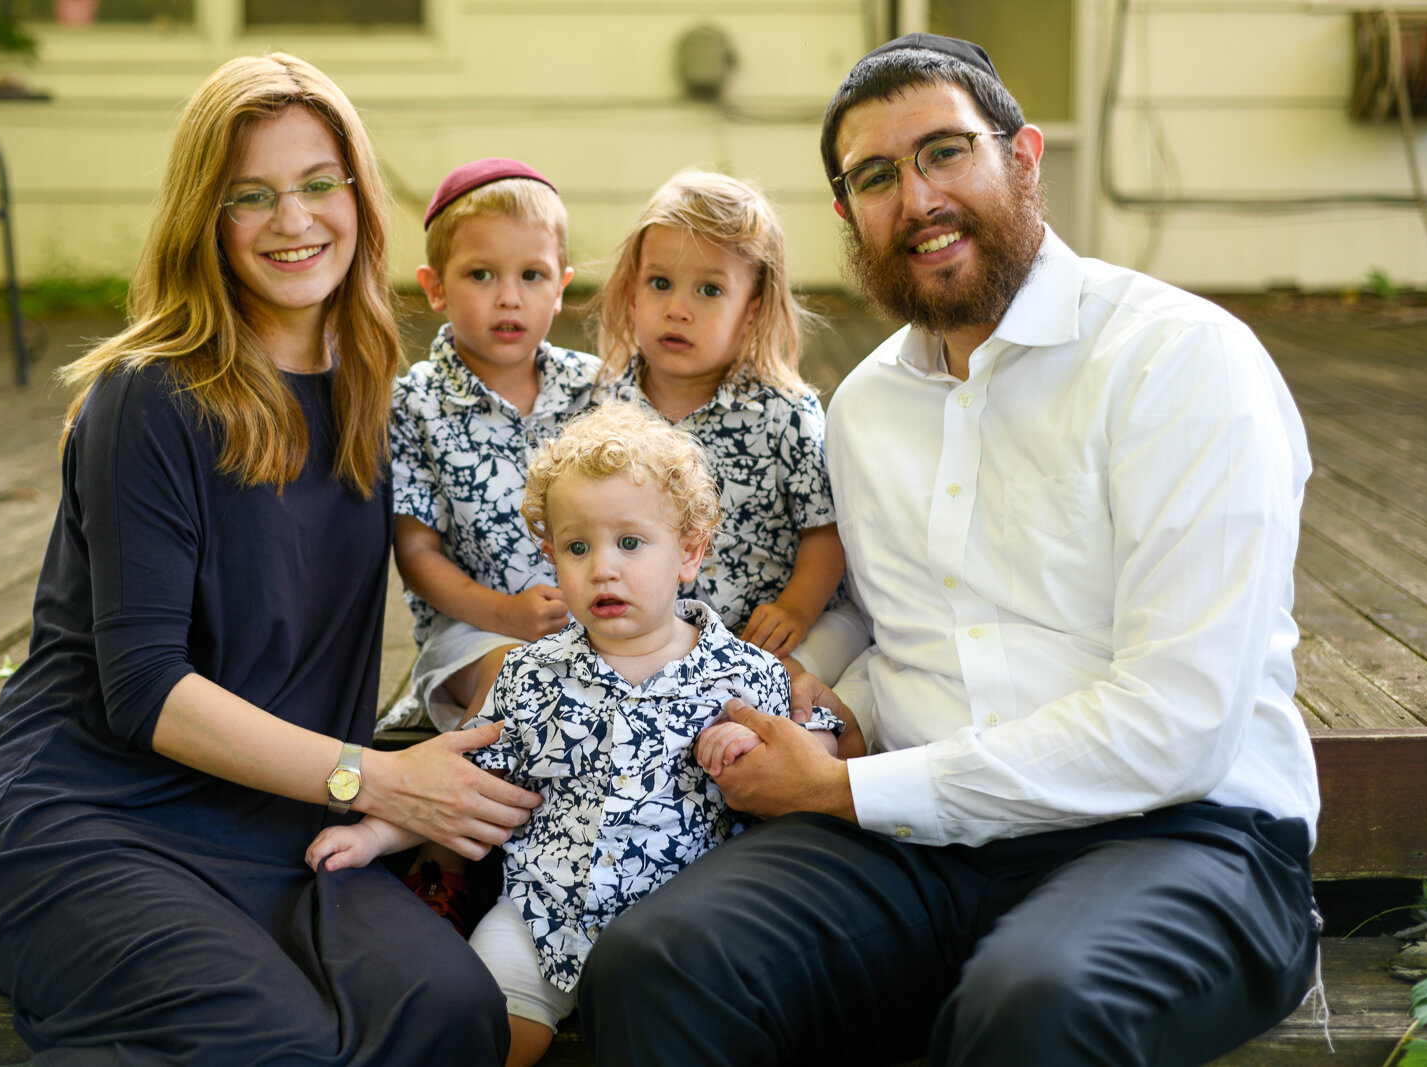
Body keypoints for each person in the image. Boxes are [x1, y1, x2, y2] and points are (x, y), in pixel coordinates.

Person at [577, 33, 1323, 1067]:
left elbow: (1178, 725)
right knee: (661, 959)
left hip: (1180, 834)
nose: (916, 197)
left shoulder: (1177, 359)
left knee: (1035, 1004)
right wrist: (827, 708)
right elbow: (907, 634)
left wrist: (843, 788)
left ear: (1023, 158)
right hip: (923, 841)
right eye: (875, 176)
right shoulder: (869, 407)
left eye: (944, 152)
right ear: (847, 218)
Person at [0, 54, 537, 1065]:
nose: (293, 219)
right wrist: (379, 781)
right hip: (91, 818)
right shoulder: (152, 395)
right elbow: (144, 691)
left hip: (282, 828)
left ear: (357, 194)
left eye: (320, 183)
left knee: (450, 1012)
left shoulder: (375, 393)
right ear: (204, 220)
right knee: (273, 1043)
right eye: (249, 197)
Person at [309, 401, 844, 1067]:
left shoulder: (743, 675)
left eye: (630, 542)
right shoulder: (531, 675)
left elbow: (821, 756)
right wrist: (372, 833)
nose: (603, 568)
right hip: (542, 912)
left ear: (690, 550)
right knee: (482, 1026)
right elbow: (457, 785)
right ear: (551, 557)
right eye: (578, 546)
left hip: (682, 929)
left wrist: (761, 751)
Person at [391, 157, 599, 931]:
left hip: (593, 619)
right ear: (435, 287)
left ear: (562, 285)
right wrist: (504, 615)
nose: (509, 297)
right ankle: (449, 857)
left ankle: (563, 856)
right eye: (481, 274)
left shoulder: (595, 387)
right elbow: (416, 552)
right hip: (475, 632)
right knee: (518, 679)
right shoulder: (417, 400)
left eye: (532, 275)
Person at [592, 170, 865, 683]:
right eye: (659, 283)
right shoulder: (607, 410)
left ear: (751, 310)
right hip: (644, 636)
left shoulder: (785, 413)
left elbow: (825, 533)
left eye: (710, 290)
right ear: (631, 294)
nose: (677, 309)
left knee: (791, 687)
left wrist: (797, 609)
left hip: (760, 633)